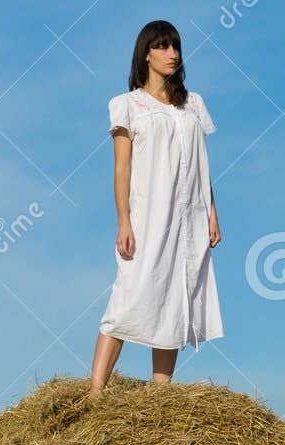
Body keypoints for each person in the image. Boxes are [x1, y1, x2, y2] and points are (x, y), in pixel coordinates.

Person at [89, 20, 223, 391]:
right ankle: (95, 396)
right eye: (163, 47)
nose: (172, 54)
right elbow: (122, 168)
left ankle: (159, 393)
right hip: (149, 213)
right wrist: (124, 221)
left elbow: (201, 164)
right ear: (146, 53)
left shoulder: (193, 104)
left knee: (178, 291)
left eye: (176, 47)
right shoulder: (128, 105)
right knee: (129, 294)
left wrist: (211, 212)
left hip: (189, 216)